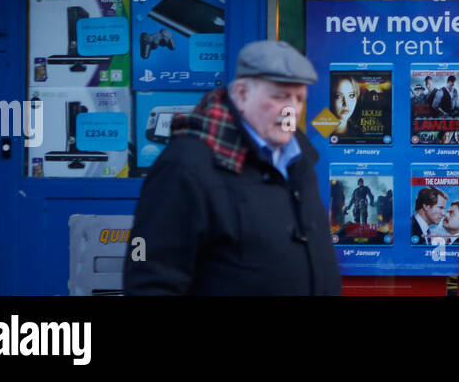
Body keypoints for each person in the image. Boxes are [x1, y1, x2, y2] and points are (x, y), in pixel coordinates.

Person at [124, 40, 341, 295]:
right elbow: (150, 279)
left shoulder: (299, 159)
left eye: (299, 99)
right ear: (241, 94)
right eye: (280, 96)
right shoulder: (185, 166)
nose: (291, 110)